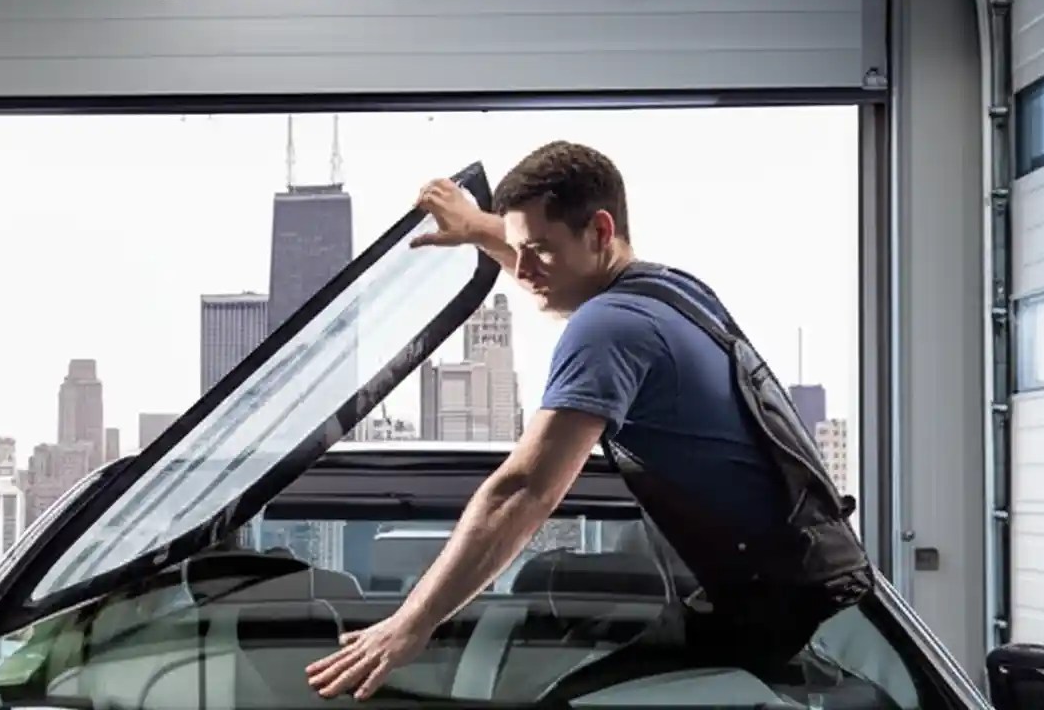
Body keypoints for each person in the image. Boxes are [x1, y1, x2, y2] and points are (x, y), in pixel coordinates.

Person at [304, 141, 806, 700]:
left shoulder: (610, 326)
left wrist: (411, 622)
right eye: (518, 249)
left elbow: (521, 491)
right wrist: (476, 226)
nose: (522, 270)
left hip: (761, 613)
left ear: (599, 231)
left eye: (539, 250)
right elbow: (546, 271)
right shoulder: (668, 291)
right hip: (778, 588)